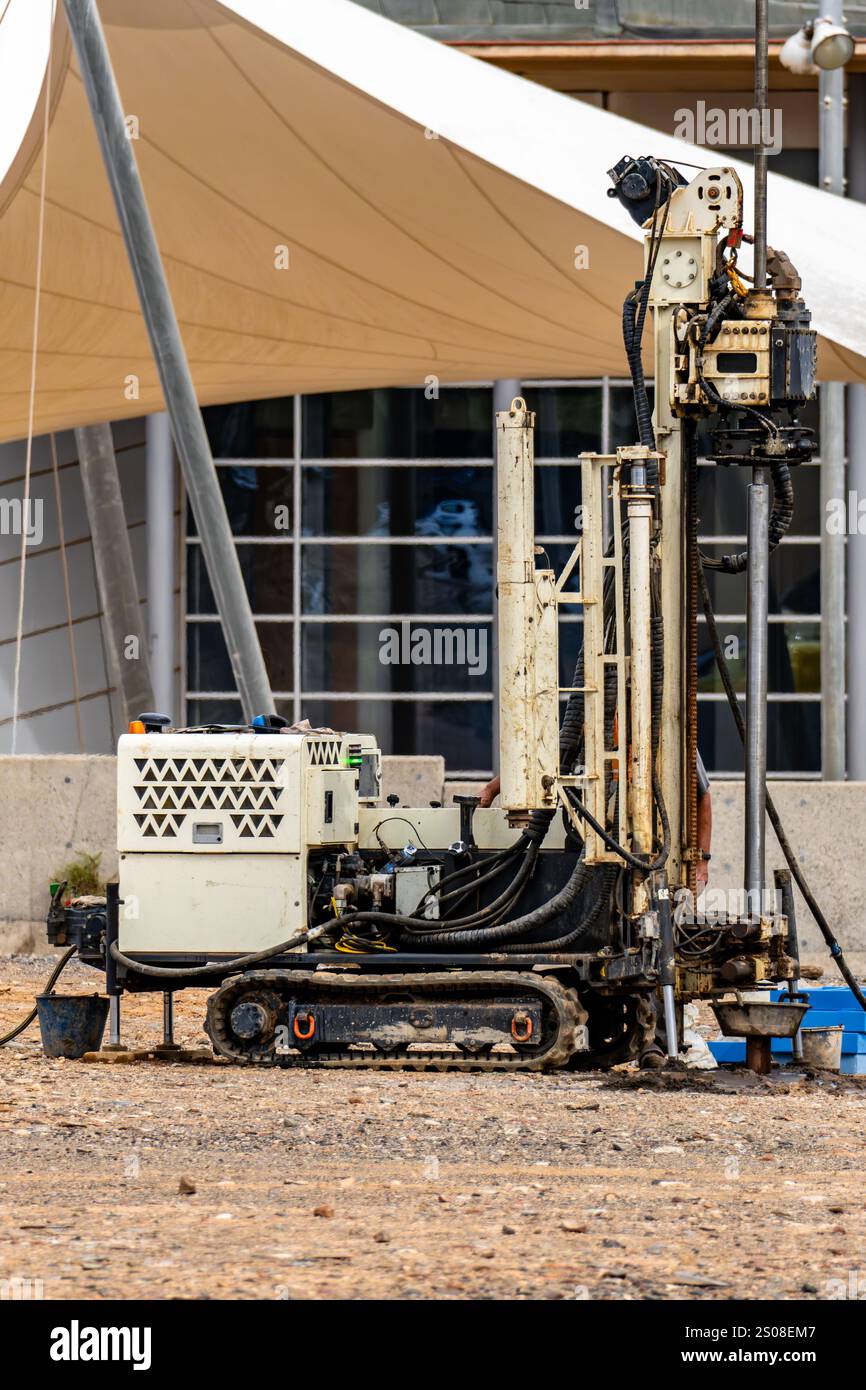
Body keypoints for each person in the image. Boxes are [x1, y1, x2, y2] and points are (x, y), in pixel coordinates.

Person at [478, 760, 712, 890]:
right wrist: (491, 790)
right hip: (588, 853)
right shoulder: (583, 729)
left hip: (649, 855)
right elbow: (534, 762)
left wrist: (701, 861)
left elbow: (703, 797)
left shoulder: (666, 737)